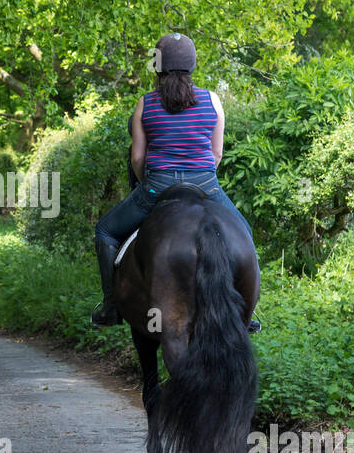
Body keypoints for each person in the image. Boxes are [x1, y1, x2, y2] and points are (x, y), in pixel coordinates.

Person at [91, 32, 259, 329]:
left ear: (158, 67)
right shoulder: (213, 101)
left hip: (158, 186)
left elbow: (138, 159)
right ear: (192, 65)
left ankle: (111, 307)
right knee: (244, 234)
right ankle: (248, 314)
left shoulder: (145, 104)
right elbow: (216, 154)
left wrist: (149, 186)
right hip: (206, 186)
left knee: (105, 231)